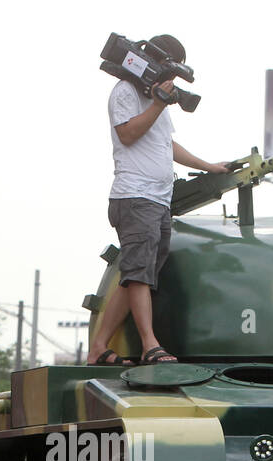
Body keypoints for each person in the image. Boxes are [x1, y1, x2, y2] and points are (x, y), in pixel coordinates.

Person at [86, 33, 229, 366]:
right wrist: (158, 103)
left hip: (157, 200)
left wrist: (209, 166)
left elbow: (167, 145)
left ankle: (98, 347)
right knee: (138, 273)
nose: (170, 80)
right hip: (135, 197)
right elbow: (128, 133)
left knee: (138, 273)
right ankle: (151, 345)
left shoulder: (154, 100)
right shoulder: (125, 92)